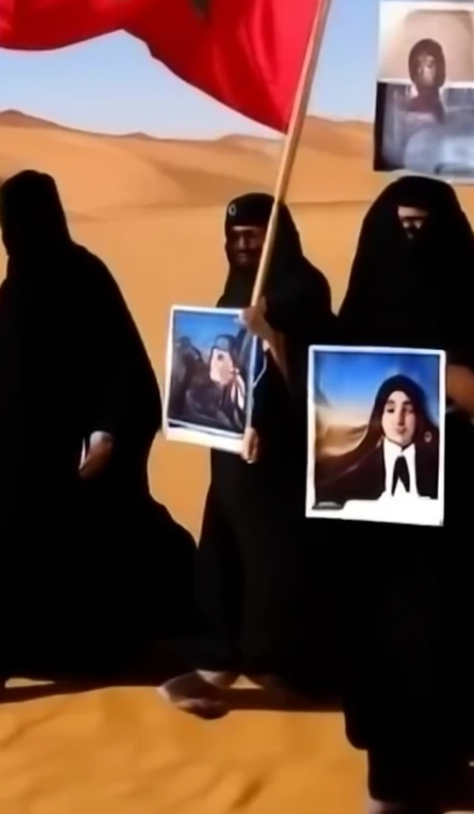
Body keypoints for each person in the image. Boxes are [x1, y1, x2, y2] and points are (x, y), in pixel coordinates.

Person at [323, 175, 474, 814]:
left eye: (423, 227)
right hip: (386, 530)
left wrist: (452, 381)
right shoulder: (363, 308)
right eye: (399, 227)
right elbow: (329, 409)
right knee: (392, 647)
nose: (411, 239)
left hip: (471, 516)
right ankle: (397, 776)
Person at [0, 170, 196, 709]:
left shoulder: (82, 274)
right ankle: (14, 660)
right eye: (5, 219)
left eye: (16, 218)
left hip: (60, 453)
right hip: (5, 450)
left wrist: (107, 432)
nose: (8, 230)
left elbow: (125, 365)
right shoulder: (18, 276)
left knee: (21, 547)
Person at [159, 193, 338, 717]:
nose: (243, 245)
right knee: (223, 548)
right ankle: (220, 653)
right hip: (232, 452)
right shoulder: (239, 287)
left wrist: (273, 336)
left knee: (275, 559)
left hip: (283, 456)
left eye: (254, 236)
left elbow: (314, 378)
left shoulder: (304, 287)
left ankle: (280, 661)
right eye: (235, 237)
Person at [314, 374, 441, 506]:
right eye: (390, 410)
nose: (399, 420)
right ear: (380, 415)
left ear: (419, 416)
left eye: (408, 410)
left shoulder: (437, 465)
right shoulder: (359, 474)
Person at [403, 38, 447, 121]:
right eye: (417, 65)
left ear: (440, 69)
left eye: (429, 65)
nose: (422, 71)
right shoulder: (409, 110)